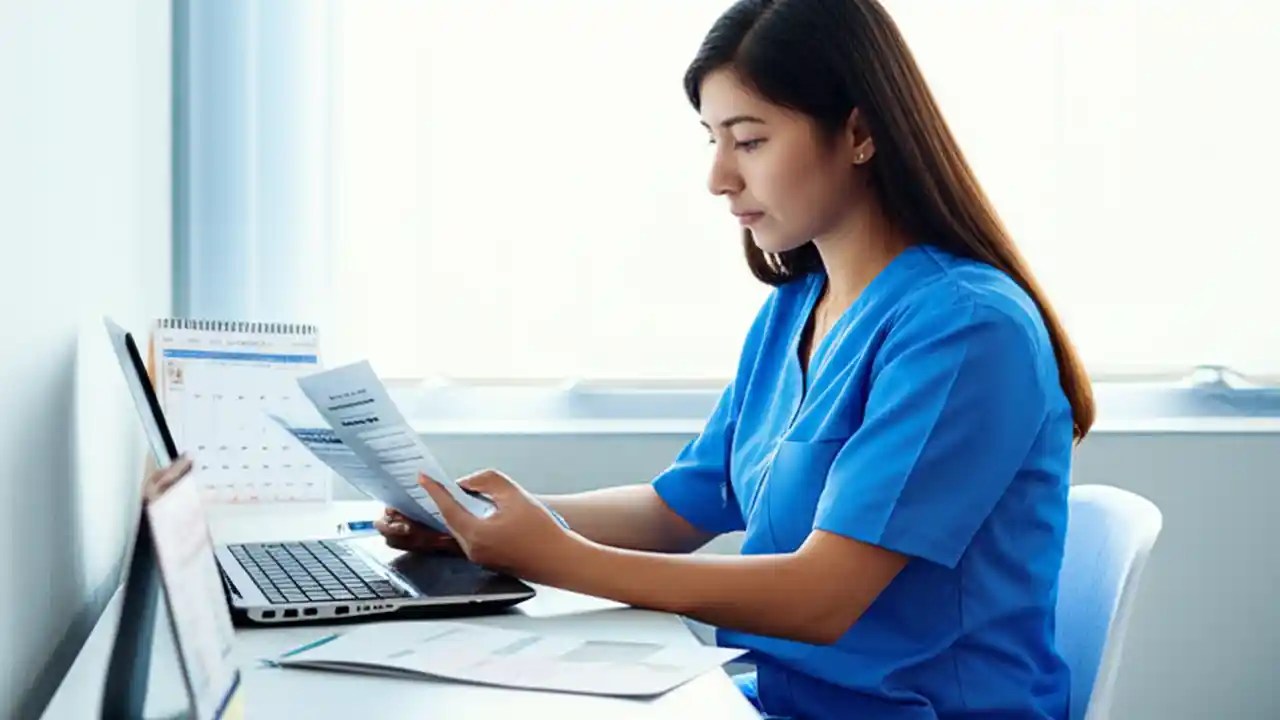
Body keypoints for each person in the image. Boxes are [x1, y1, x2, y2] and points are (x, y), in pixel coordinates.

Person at [377, 1, 1094, 717]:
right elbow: (673, 510)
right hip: (774, 698)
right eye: (711, 140)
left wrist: (556, 557)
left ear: (860, 132)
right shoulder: (796, 307)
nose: (718, 177)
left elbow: (824, 597)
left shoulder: (967, 329)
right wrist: (479, 522)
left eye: (748, 141)